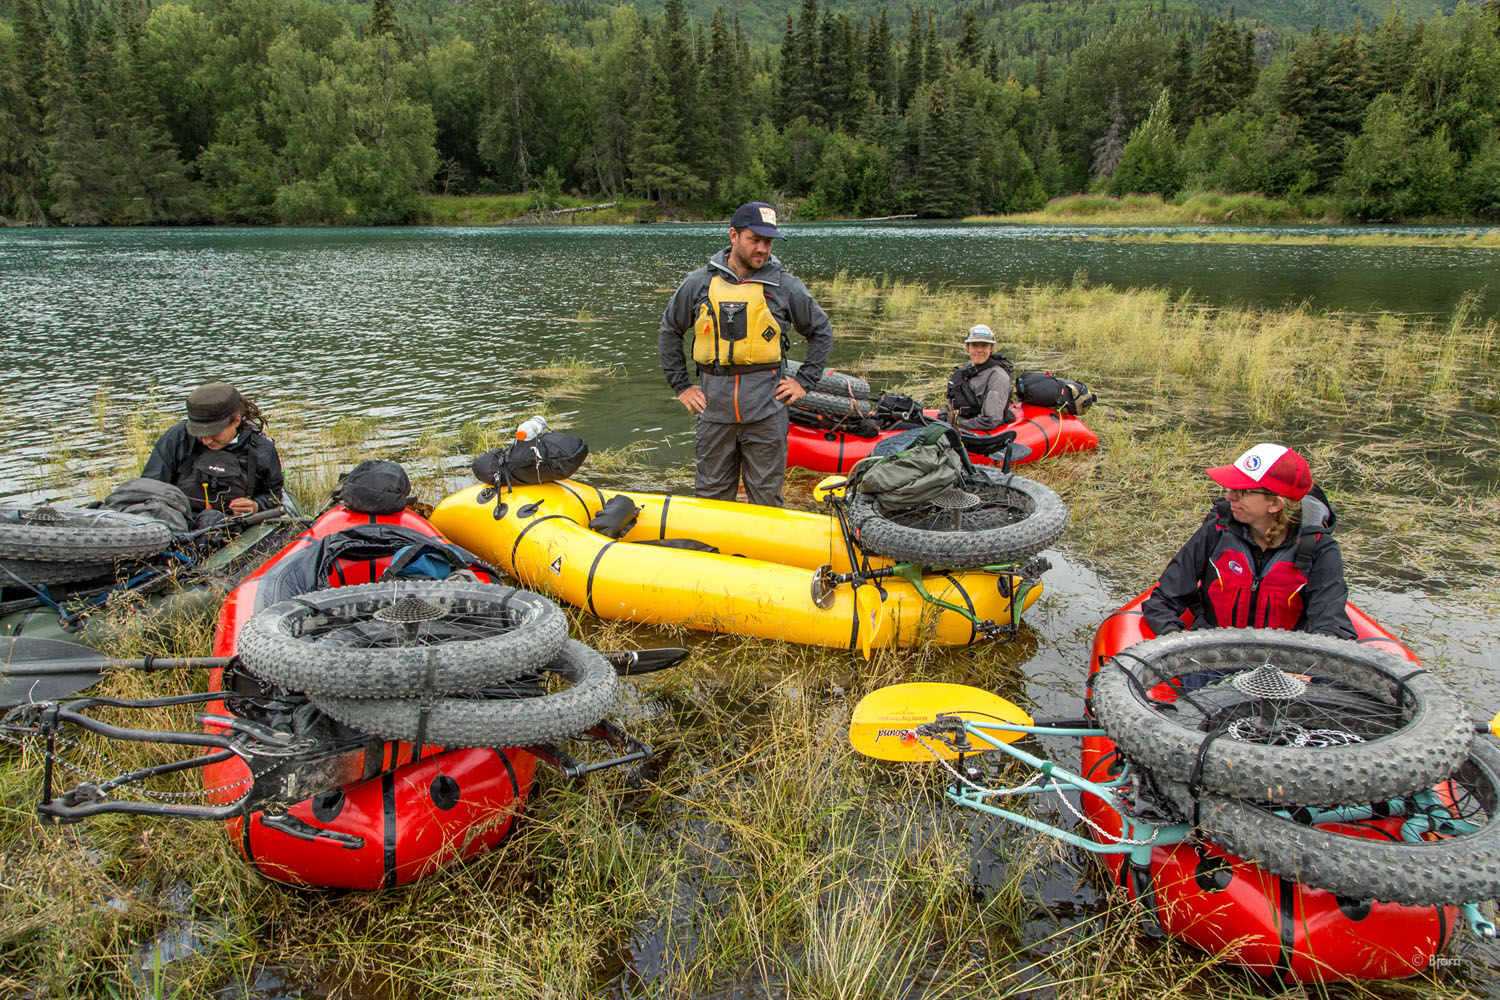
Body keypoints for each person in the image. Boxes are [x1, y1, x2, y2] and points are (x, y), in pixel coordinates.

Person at [659, 202, 834, 507]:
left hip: (766, 413)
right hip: (714, 412)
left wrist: (804, 382)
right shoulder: (699, 283)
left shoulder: (785, 286)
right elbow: (670, 330)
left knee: (766, 500)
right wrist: (682, 386)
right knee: (711, 499)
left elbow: (821, 332)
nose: (762, 249)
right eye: (755, 240)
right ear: (733, 236)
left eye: (768, 242)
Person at [1141, 443, 1355, 639]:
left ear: (1275, 504)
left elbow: (1331, 628)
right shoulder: (1217, 530)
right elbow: (1164, 600)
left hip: (1283, 662)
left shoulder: (1319, 549)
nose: (1229, 496)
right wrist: (1176, 641)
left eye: (1241, 491)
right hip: (1210, 653)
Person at [142, 381, 285, 528]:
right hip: (179, 524)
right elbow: (150, 486)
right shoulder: (177, 438)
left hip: (233, 527)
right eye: (199, 433)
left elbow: (274, 496)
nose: (205, 441)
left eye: (213, 433)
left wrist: (256, 506)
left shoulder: (261, 450)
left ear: (236, 421)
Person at [945, 324, 1014, 431]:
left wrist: (955, 426)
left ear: (991, 348)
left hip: (981, 431)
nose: (979, 350)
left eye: (984, 346)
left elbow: (990, 421)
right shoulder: (968, 367)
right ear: (967, 347)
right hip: (965, 421)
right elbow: (954, 402)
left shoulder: (998, 377)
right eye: (975, 345)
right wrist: (943, 418)